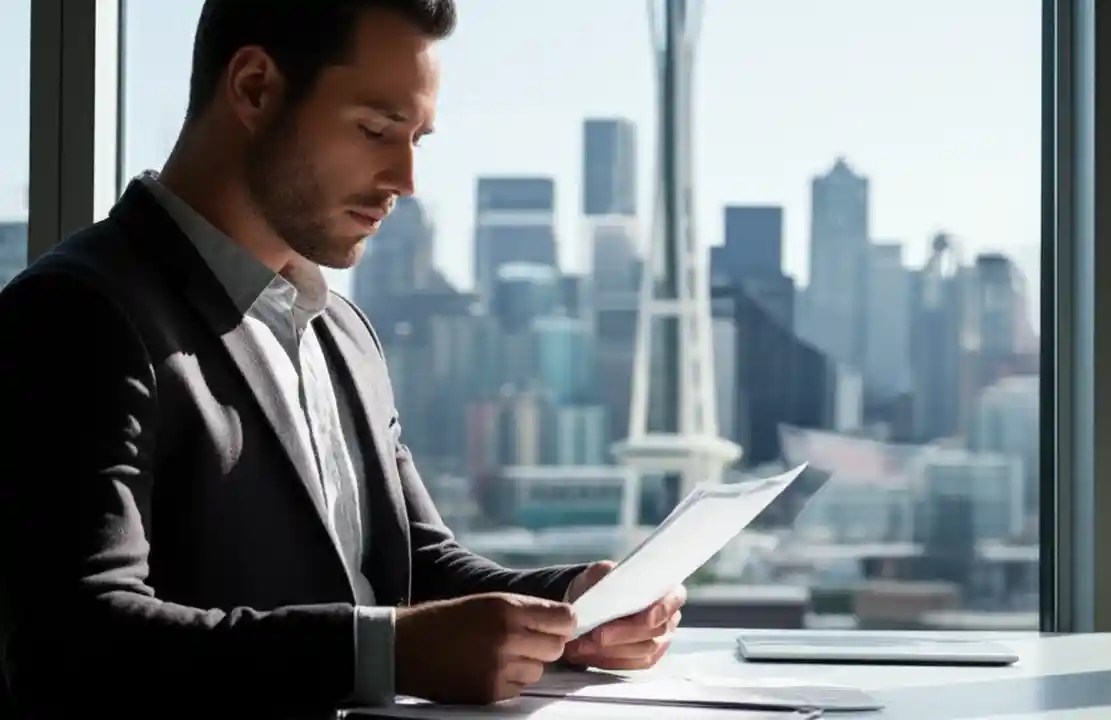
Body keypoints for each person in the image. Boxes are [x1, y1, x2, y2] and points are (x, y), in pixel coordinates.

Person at [0, 1, 684, 716]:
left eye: (418, 137)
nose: (407, 177)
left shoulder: (342, 332)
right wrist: (385, 653)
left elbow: (413, 568)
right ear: (255, 88)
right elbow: (68, 646)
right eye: (376, 130)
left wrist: (574, 611)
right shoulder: (76, 316)